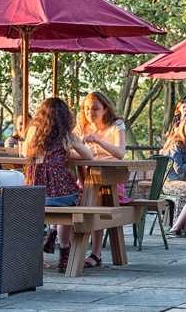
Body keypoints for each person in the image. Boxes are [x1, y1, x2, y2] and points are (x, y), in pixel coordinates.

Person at [23, 98, 94, 273]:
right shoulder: (66, 135)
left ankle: (44, 243)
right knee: (70, 202)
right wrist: (67, 155)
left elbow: (24, 153)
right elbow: (88, 157)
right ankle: (64, 255)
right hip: (60, 195)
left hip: (34, 194)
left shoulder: (32, 130)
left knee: (43, 207)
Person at [72, 91, 128, 268]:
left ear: (105, 110)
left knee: (94, 199)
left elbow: (120, 153)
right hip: (85, 178)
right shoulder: (79, 129)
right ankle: (65, 247)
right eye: (87, 108)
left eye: (95, 108)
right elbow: (71, 155)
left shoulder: (116, 125)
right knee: (70, 198)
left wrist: (97, 141)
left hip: (111, 178)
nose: (90, 112)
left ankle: (95, 252)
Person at [161, 119, 186, 238]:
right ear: (182, 130)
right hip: (169, 183)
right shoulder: (176, 145)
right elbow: (178, 168)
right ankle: (179, 228)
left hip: (184, 182)